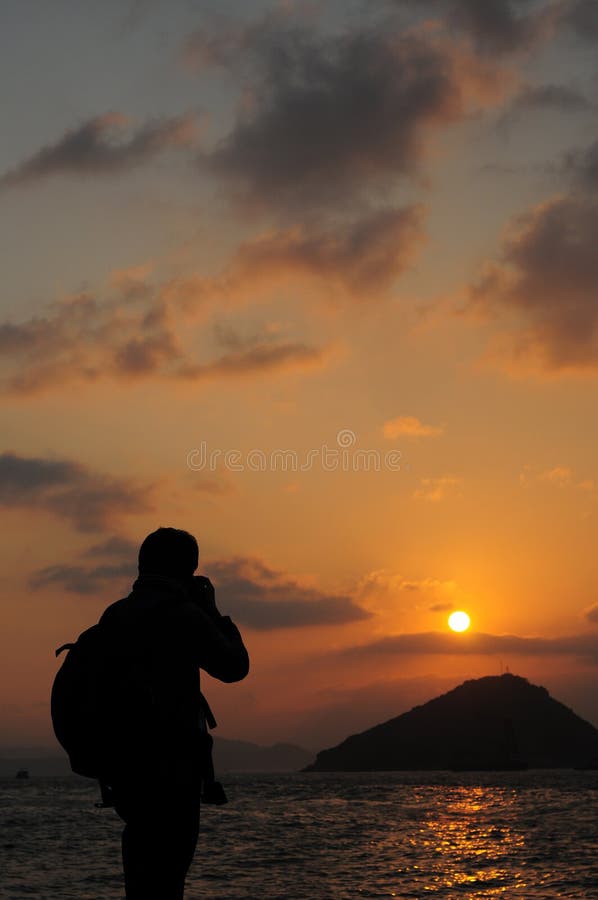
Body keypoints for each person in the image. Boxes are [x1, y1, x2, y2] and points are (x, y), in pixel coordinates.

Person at [97, 527, 249, 899]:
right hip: (173, 767)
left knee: (141, 877)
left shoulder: (115, 614)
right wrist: (213, 612)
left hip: (125, 769)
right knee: (168, 879)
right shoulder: (183, 615)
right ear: (188, 570)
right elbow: (234, 667)